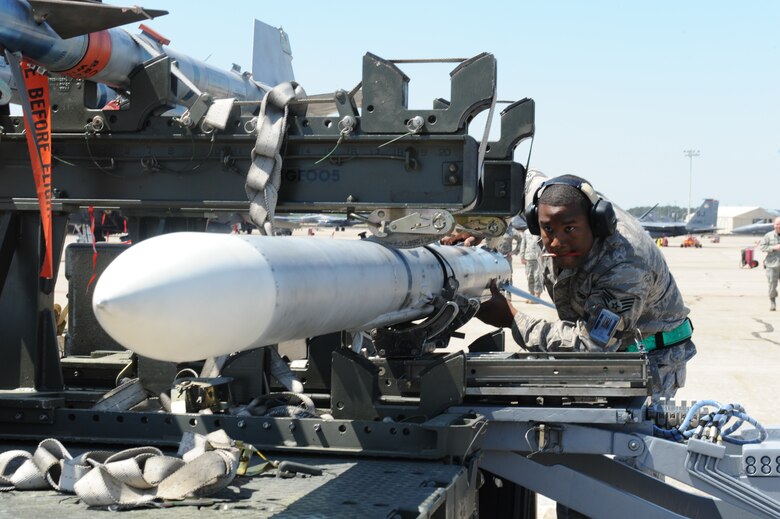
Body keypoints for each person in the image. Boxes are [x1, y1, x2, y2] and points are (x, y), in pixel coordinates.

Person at [476, 171, 696, 400]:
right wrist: (477, 226)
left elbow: (590, 346)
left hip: (648, 363)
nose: (557, 242)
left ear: (595, 222)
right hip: (605, 354)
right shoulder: (551, 201)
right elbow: (513, 180)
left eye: (569, 229)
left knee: (618, 430)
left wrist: (512, 319)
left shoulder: (625, 266)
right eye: (548, 229)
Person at [759, 216, 780, 311]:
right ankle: (773, 301)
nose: (779, 226)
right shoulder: (768, 236)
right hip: (772, 265)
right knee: (772, 285)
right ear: (774, 225)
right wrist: (773, 248)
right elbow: (762, 247)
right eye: (777, 224)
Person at [518, 228, 544, 303]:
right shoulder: (526, 232)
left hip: (538, 257)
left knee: (538, 277)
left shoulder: (540, 230)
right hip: (528, 257)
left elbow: (544, 244)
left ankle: (537, 296)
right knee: (529, 276)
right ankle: (531, 295)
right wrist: (522, 257)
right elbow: (523, 244)